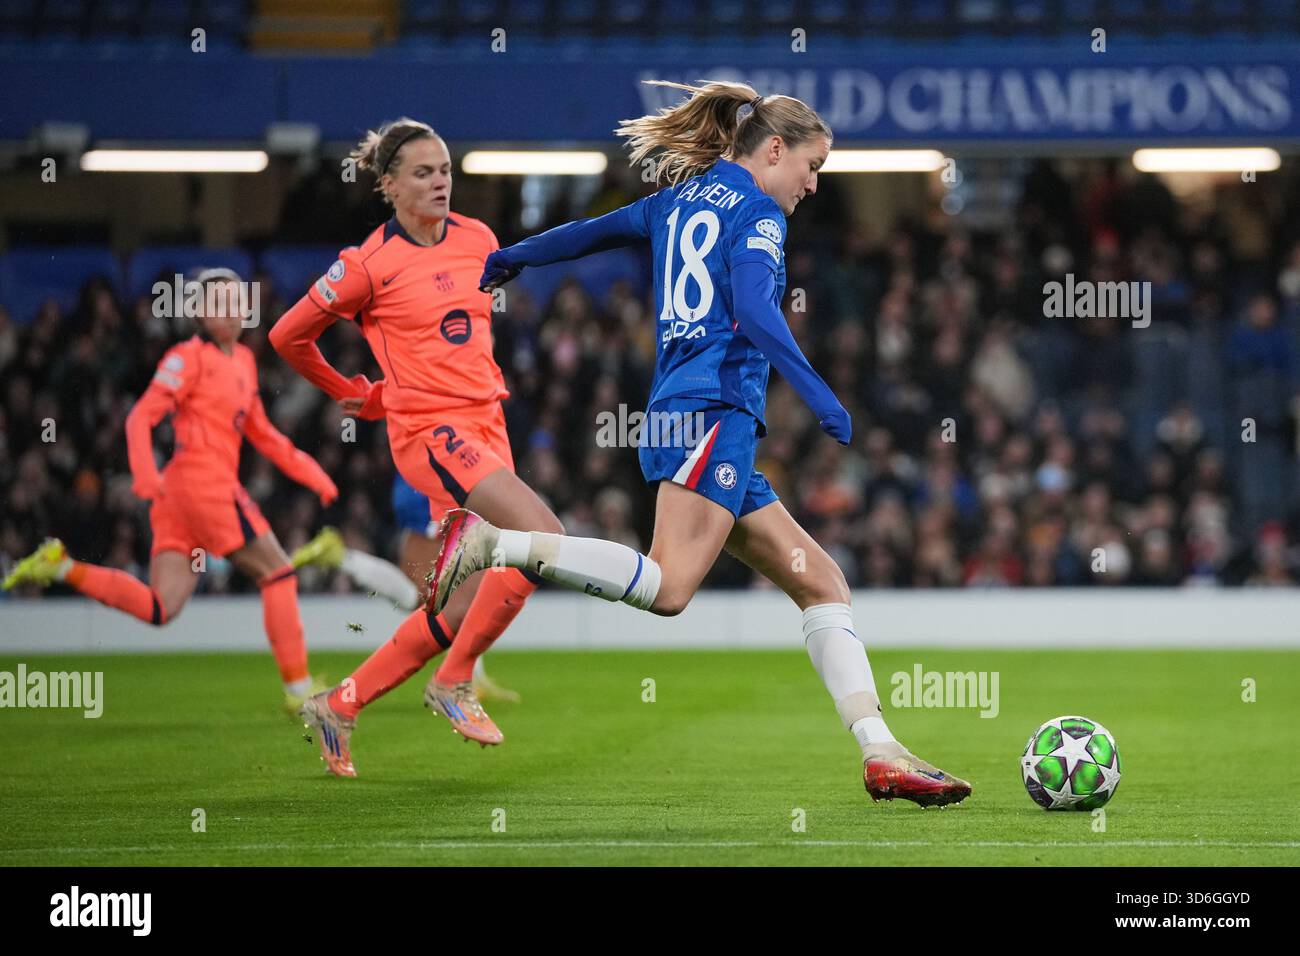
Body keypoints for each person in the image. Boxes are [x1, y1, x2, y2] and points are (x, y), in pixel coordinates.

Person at [430, 81, 971, 807]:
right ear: (773, 149)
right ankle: (494, 545)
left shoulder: (681, 198)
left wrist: (517, 255)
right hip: (714, 413)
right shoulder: (758, 213)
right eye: (812, 166)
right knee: (670, 587)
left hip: (688, 414)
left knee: (821, 582)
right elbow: (751, 309)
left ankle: (881, 752)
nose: (813, 186)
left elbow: (597, 231)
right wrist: (818, 393)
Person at [269, 118, 559, 776]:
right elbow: (288, 336)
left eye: (446, 170)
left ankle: (340, 703)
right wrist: (354, 391)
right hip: (431, 432)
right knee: (544, 537)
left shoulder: (479, 239)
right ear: (390, 186)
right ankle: (453, 684)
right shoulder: (366, 265)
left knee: (458, 606)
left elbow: (459, 334)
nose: (439, 182)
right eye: (424, 172)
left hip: (488, 422)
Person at [2, 269, 335, 709]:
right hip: (206, 486)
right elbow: (140, 417)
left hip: (180, 497)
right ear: (198, 312)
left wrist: (312, 473)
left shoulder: (244, 362)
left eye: (238, 303)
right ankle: (298, 692)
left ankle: (62, 568)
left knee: (162, 608)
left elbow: (263, 433)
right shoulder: (187, 357)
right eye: (221, 304)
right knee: (278, 573)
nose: (233, 312)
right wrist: (144, 474)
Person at [290, 474, 520, 701]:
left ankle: (471, 679)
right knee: (432, 599)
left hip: (426, 483)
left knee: (446, 599)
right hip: (436, 485)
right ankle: (341, 557)